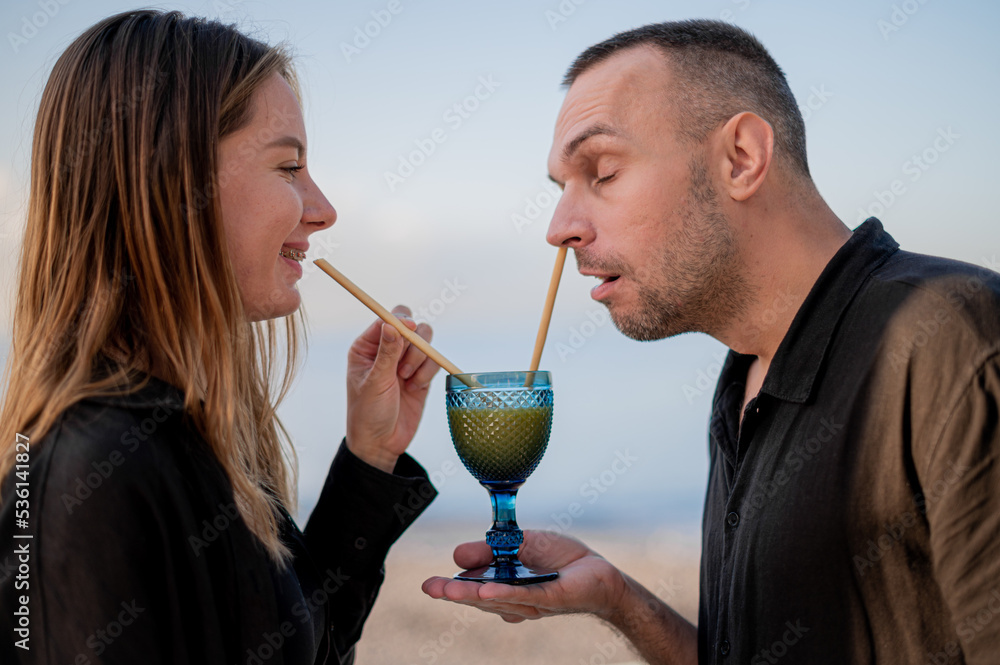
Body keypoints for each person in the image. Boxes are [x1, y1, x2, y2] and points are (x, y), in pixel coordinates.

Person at [423, 19, 1000, 665]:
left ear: (741, 158)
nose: (559, 228)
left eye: (603, 172)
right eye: (561, 189)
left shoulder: (954, 336)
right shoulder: (742, 380)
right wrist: (620, 601)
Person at [0, 10, 441, 664]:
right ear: (170, 183)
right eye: (288, 167)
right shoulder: (88, 475)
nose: (323, 209)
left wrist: (370, 455)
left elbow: (296, 647)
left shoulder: (194, 429)